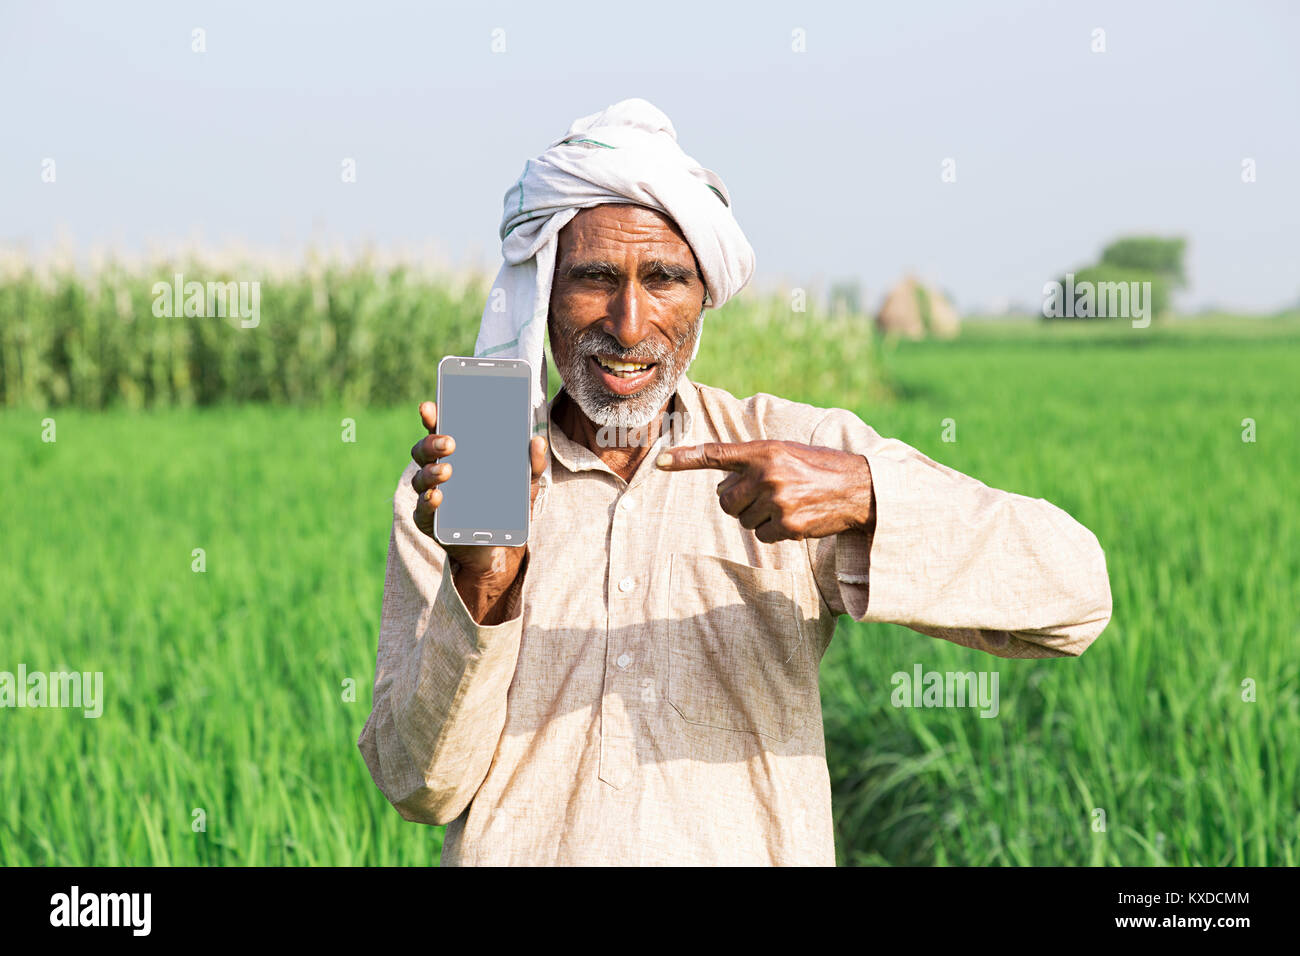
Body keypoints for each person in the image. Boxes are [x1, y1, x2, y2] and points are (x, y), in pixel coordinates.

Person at [357, 99, 1112, 866]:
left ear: (705, 296)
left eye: (664, 279)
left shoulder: (794, 449)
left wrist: (861, 497)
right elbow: (420, 787)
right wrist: (481, 587)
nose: (628, 322)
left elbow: (1077, 596)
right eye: (592, 279)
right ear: (542, 292)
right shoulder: (453, 492)